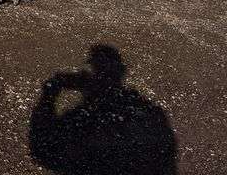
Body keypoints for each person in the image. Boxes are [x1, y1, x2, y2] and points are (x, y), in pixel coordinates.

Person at [29, 45, 177, 175]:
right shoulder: (148, 112)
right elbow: (167, 162)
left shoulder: (85, 119)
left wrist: (50, 94)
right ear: (121, 73)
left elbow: (43, 150)